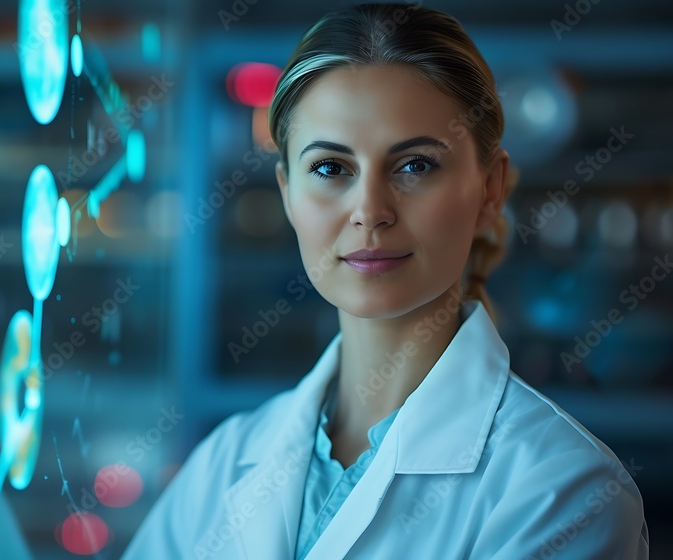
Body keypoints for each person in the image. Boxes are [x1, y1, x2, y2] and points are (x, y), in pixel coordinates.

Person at [123, 4, 649, 559]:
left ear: (490, 191)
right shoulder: (225, 461)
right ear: (286, 192)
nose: (369, 211)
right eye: (330, 168)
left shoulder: (565, 492)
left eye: (415, 165)